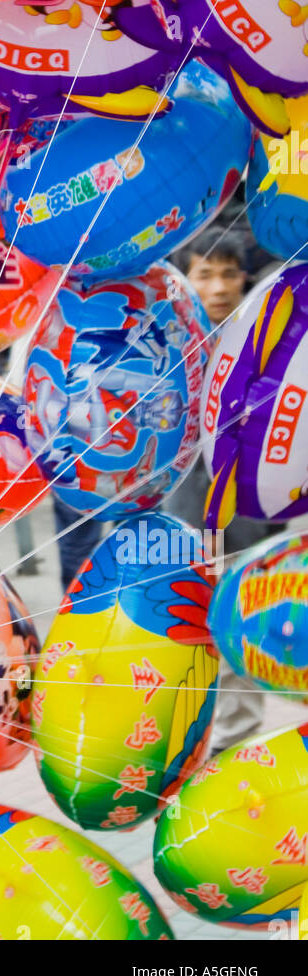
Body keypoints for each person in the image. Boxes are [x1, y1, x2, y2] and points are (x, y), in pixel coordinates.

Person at [166, 223, 283, 749]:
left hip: (252, 523)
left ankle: (231, 750)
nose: (217, 288)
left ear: (244, 279)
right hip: (184, 521)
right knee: (186, 640)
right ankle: (189, 748)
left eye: (228, 275)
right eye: (205, 274)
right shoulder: (173, 344)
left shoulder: (269, 341)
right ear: (186, 280)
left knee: (240, 637)